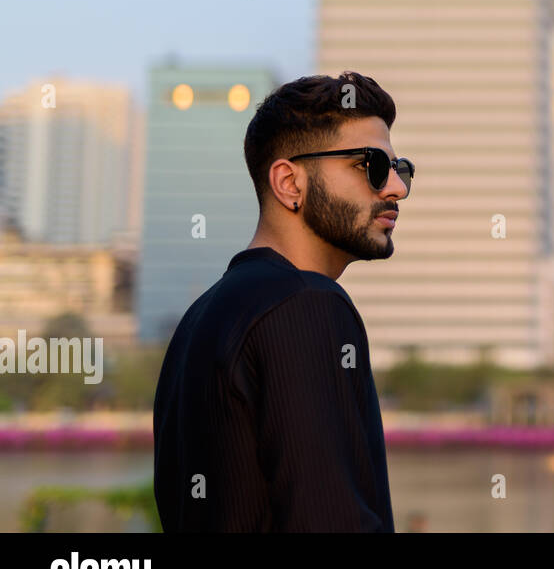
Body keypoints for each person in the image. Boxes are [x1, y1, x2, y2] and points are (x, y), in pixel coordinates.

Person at [153, 72, 413, 531]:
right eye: (370, 165)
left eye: (401, 168)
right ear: (289, 183)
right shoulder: (309, 304)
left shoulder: (200, 320)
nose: (396, 188)